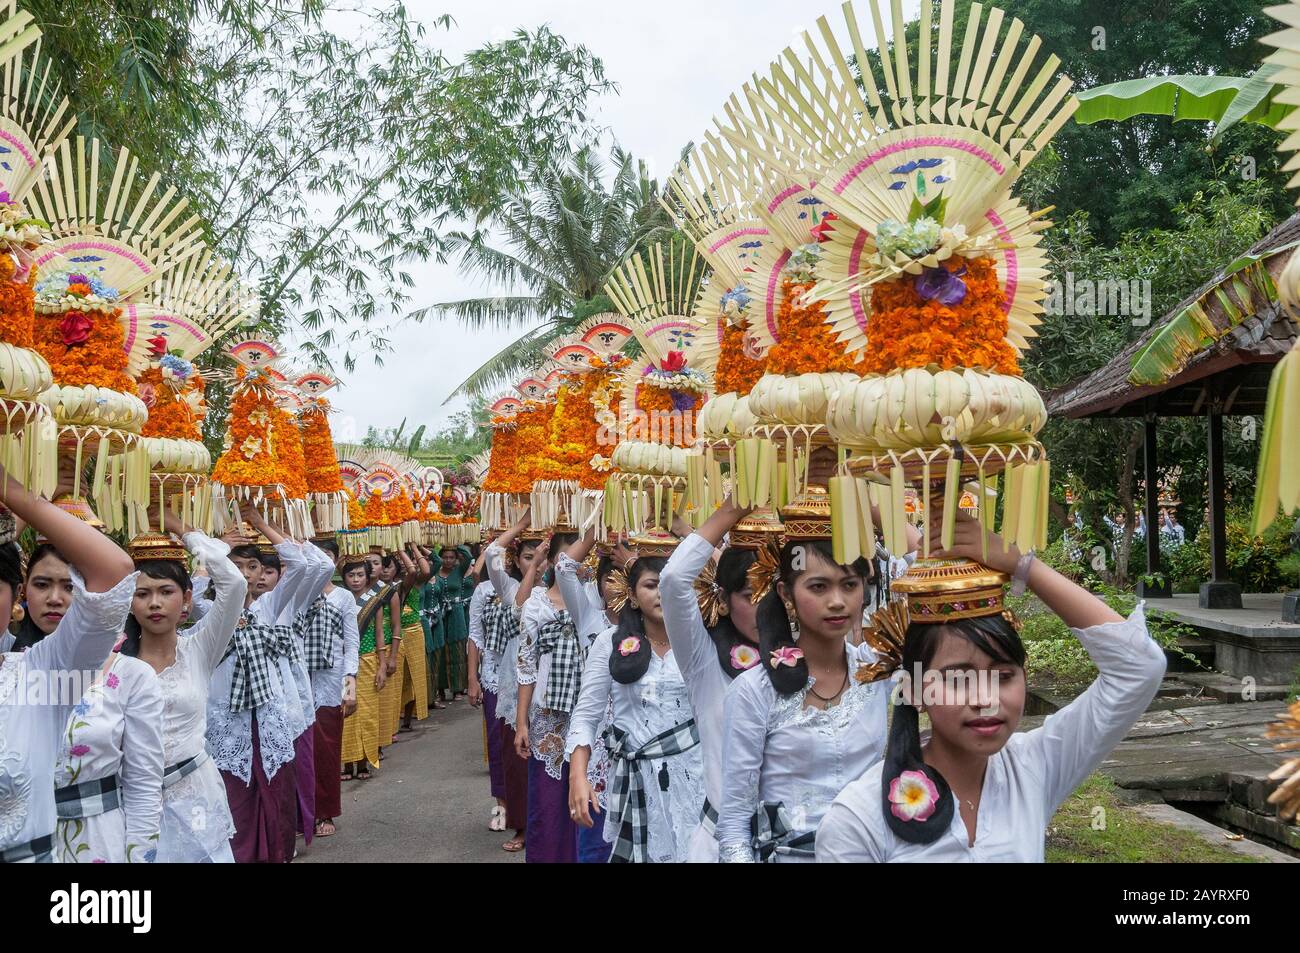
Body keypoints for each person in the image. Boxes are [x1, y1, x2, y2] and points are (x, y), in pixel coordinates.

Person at [815, 504, 1167, 862]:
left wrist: (1023, 566)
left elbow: (1139, 667)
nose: (986, 699)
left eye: (1003, 676)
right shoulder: (858, 821)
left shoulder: (1033, 768)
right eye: (957, 678)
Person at [716, 492, 892, 863]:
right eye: (818, 586)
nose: (837, 601)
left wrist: (858, 495)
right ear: (786, 593)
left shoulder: (877, 672)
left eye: (849, 584)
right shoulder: (754, 692)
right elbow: (734, 820)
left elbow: (925, 559)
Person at [0, 463, 139, 863]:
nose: (55, 597)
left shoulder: (37, 674)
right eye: (44, 584)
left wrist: (18, 493)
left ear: (14, 601)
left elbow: (113, 573)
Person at [566, 536, 705, 863]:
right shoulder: (609, 643)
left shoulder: (702, 641)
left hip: (697, 778)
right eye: (652, 585)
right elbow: (585, 717)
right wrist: (578, 776)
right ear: (631, 594)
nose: (662, 594)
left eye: (669, 585)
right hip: (635, 782)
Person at [207, 505, 331, 863]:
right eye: (235, 566)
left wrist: (261, 523)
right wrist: (215, 546)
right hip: (224, 727)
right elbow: (193, 585)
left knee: (276, 804)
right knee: (233, 812)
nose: (245, 576)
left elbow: (310, 566)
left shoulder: (269, 609)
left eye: (252, 567)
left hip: (269, 722)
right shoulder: (203, 612)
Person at [124, 510, 247, 863]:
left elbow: (235, 584)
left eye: (166, 592)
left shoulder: (200, 648)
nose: (155, 603)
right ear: (130, 604)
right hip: (136, 801)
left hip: (195, 790)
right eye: (142, 594)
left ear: (187, 600)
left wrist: (183, 531)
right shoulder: (116, 664)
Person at [513, 527, 580, 863]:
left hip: (589, 712)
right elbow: (526, 665)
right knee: (549, 799)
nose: (577, 564)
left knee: (587, 794)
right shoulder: (536, 604)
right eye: (569, 557)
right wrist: (522, 722)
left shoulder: (596, 600)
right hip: (548, 715)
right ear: (554, 561)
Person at [482, 515, 540, 853]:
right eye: (528, 557)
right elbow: (491, 554)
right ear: (516, 560)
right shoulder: (509, 589)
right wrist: (521, 525)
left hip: (549, 679)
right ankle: (520, 826)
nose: (536, 562)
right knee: (516, 758)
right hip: (513, 675)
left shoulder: (562, 588)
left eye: (541, 556)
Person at [303, 535, 360, 838]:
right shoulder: (297, 594)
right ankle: (302, 813)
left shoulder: (343, 598)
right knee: (299, 751)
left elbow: (351, 644)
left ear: (336, 561)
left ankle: (324, 812)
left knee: (325, 752)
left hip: (330, 683)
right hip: (298, 682)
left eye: (327, 556)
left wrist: (349, 688)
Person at [340, 555, 388, 781]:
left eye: (360, 575)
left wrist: (382, 665)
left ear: (367, 576)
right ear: (344, 577)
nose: (356, 580)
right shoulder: (339, 600)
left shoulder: (375, 601)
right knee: (346, 712)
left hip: (369, 662)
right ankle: (348, 763)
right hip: (344, 667)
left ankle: (365, 760)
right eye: (351, 575)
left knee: (368, 713)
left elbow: (380, 634)